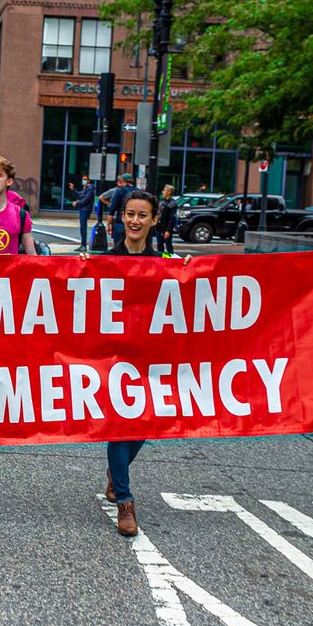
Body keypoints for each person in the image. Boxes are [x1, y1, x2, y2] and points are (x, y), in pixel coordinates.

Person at [77, 189, 192, 535]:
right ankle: (125, 502)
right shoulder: (104, 260)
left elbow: (187, 298)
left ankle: (117, 471)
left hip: (150, 357)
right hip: (114, 357)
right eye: (129, 214)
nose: (134, 221)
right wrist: (79, 268)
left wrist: (191, 271)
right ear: (120, 217)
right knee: (121, 425)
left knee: (142, 425)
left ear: (154, 220)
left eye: (142, 215)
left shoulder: (164, 263)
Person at [71, 176, 96, 252]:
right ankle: (82, 245)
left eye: (85, 179)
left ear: (88, 180)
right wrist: (73, 189)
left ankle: (84, 245)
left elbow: (85, 199)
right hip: (83, 209)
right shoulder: (86, 188)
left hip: (85, 210)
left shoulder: (90, 189)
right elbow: (80, 194)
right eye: (83, 179)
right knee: (82, 227)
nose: (83, 181)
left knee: (83, 227)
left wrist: (77, 203)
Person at [157, 183, 179, 256]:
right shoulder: (161, 202)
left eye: (164, 190)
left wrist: (168, 230)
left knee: (168, 245)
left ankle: (171, 259)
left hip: (165, 227)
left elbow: (172, 219)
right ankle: (161, 259)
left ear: (169, 192)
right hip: (159, 227)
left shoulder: (172, 204)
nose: (162, 192)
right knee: (159, 245)